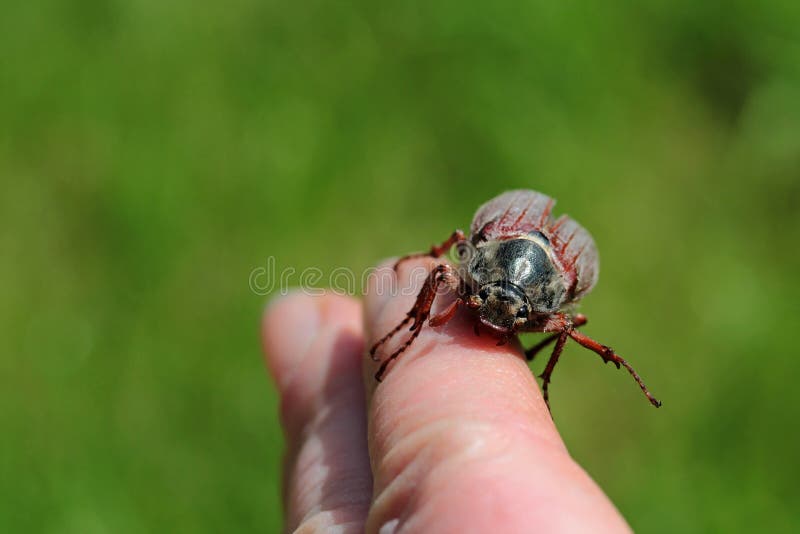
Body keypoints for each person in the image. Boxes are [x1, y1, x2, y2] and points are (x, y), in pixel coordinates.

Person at [261, 259, 632, 533]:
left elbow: (567, 324)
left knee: (566, 325)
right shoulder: (472, 275)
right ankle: (412, 323)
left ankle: (554, 370)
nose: (492, 321)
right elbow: (444, 268)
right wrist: (412, 327)